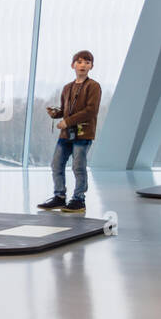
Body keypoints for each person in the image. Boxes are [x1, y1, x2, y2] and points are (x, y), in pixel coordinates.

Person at [38, 50, 100, 213]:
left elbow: (90, 111)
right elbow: (67, 110)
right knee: (56, 164)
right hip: (66, 134)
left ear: (91, 66)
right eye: (79, 62)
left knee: (78, 167)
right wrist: (56, 114)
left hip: (83, 133)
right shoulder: (67, 88)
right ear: (73, 65)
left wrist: (66, 121)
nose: (83, 65)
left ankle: (79, 200)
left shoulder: (93, 86)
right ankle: (59, 197)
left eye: (87, 62)